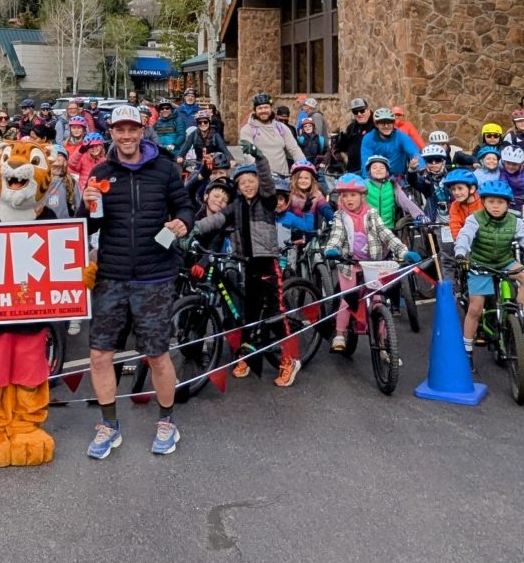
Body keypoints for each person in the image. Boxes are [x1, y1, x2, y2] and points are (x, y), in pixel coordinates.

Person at [82, 104, 193, 459]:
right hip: (111, 276)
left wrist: (183, 222)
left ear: (142, 131)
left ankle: (167, 421)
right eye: (120, 130)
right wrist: (86, 205)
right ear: (112, 133)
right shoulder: (101, 171)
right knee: (100, 355)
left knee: (157, 355)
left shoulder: (165, 168)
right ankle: (108, 425)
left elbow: (185, 206)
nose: (127, 136)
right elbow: (88, 225)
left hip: (154, 276)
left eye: (133, 129)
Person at [194, 153, 298, 387]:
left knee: (276, 314)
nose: (248, 185)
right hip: (248, 264)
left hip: (267, 262)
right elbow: (217, 219)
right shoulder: (237, 205)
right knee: (250, 314)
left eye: (251, 181)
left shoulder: (266, 201)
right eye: (243, 182)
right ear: (238, 187)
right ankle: (248, 356)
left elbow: (268, 183)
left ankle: (289, 360)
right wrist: (194, 229)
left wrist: (260, 159)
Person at [452, 177, 524, 353]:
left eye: (500, 202)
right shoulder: (475, 219)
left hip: (505, 262)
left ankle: (521, 316)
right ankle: (467, 349)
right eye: (491, 202)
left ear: (507, 204)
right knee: (475, 308)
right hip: (480, 264)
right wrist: (460, 255)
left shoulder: (514, 221)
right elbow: (464, 237)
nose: (496, 206)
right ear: (483, 202)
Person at [317, 173, 404, 352]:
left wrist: (402, 250)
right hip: (349, 265)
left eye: (353, 195)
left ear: (362, 196)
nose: (349, 199)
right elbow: (336, 235)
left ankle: (384, 344)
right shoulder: (340, 216)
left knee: (378, 299)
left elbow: (385, 233)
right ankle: (340, 334)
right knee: (348, 299)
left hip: (372, 264)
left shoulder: (372, 214)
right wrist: (332, 249)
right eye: (344, 195)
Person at [238, 92, 306, 177]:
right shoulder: (247, 129)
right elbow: (248, 155)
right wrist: (262, 172)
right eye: (260, 108)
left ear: (271, 108)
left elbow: (294, 149)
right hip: (261, 177)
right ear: (254, 110)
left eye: (266, 107)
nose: (263, 111)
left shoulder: (281, 128)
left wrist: (304, 166)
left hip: (282, 178)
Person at [359, 107, 421, 182]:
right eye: (382, 123)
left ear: (393, 123)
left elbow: (414, 152)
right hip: (376, 178)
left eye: (389, 123)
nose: (386, 126)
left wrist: (420, 166)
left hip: (397, 178)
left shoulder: (401, 136)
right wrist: (367, 180)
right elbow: (365, 160)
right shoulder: (368, 138)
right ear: (376, 124)